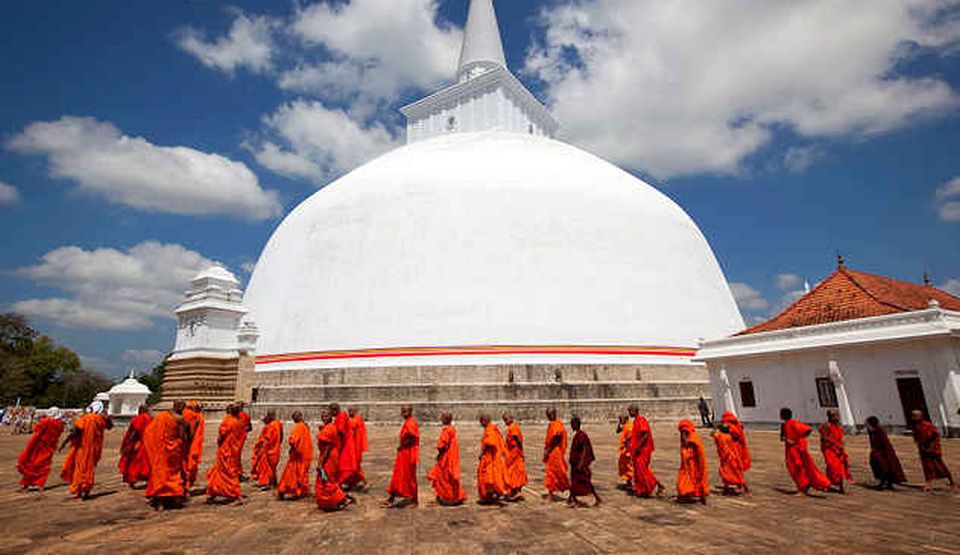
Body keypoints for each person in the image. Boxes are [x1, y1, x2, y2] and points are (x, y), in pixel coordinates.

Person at [143, 400, 190, 511]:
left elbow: (149, 431)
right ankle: (175, 499)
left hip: (162, 449)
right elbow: (183, 436)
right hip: (173, 449)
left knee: (160, 473)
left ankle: (160, 502)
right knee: (173, 473)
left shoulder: (162, 416)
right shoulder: (180, 419)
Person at [59, 410, 112, 500]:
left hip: (83, 448)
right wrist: (107, 418)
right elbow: (110, 426)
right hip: (93, 450)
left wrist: (65, 442)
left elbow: (76, 431)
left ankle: (81, 489)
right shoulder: (99, 420)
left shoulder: (86, 419)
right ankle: (85, 490)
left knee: (80, 469)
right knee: (88, 469)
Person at [780, 408, 832, 496]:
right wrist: (786, 439)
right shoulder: (784, 425)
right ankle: (803, 486)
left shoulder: (794, 423)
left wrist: (796, 440)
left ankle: (803, 488)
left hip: (797, 449)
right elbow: (782, 437)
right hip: (789, 450)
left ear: (784, 415)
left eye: (781, 414)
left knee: (799, 467)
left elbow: (808, 429)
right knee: (792, 467)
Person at [206, 404, 246, 504]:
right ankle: (214, 492)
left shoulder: (228, 421)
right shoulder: (239, 421)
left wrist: (219, 444)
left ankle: (236, 496)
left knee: (228, 472)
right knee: (221, 471)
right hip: (234, 449)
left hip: (226, 450)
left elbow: (221, 436)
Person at [910, 410, 958, 494]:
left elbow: (934, 437)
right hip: (923, 450)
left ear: (921, 417)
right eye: (913, 416)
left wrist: (930, 448)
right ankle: (929, 484)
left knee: (941, 466)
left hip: (932, 450)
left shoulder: (928, 425)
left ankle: (952, 483)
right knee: (927, 467)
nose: (914, 418)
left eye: (916, 416)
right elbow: (917, 437)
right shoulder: (915, 426)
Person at [16, 409, 64, 491]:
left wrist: (31, 445)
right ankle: (40, 484)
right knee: (44, 465)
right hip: (50, 447)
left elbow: (37, 432)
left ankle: (26, 485)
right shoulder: (60, 424)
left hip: (39, 446)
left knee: (32, 463)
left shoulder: (46, 422)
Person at [316, 410, 353, 511]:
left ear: (331, 417)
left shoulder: (329, 429)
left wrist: (321, 463)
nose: (324, 417)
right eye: (323, 416)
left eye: (326, 416)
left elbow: (327, 447)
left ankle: (343, 498)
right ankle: (332, 500)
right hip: (331, 456)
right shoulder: (329, 427)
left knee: (326, 479)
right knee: (327, 478)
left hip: (328, 458)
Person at [384, 404, 419, 508]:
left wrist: (402, 445)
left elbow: (412, 437)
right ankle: (391, 497)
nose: (403, 413)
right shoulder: (408, 422)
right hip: (404, 453)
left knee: (409, 476)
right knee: (398, 475)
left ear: (410, 412)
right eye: (402, 411)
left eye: (405, 411)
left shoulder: (411, 423)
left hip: (408, 453)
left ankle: (414, 500)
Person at [428, 412, 467, 506]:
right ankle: (453, 496)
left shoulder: (447, 431)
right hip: (450, 456)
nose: (441, 419)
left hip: (446, 458)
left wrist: (439, 455)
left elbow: (441, 445)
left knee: (443, 477)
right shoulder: (452, 429)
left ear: (446, 419)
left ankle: (448, 497)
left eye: (442, 418)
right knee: (449, 477)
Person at [277, 411, 313, 500]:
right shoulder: (304, 426)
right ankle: (300, 490)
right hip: (305, 454)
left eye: (295, 417)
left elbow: (292, 441)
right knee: (301, 473)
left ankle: (288, 489)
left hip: (298, 455)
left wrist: (292, 449)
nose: (294, 419)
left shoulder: (299, 427)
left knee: (293, 473)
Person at [629, 405, 664, 497]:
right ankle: (643, 489)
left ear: (634, 411)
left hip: (643, 450)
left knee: (642, 470)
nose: (629, 413)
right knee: (640, 470)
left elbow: (645, 434)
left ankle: (657, 485)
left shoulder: (641, 420)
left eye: (630, 411)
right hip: (639, 450)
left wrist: (638, 447)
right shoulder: (636, 421)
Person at [865, 416, 906, 490]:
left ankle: (885, 483)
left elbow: (884, 443)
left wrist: (885, 454)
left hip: (884, 452)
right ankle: (885, 482)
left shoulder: (879, 431)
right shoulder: (871, 431)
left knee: (884, 467)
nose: (865, 424)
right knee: (879, 467)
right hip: (876, 452)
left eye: (867, 423)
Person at [569, 416, 601, 507]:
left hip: (580, 463)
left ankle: (596, 497)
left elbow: (584, 449)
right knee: (574, 481)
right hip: (575, 463)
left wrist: (581, 462)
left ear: (575, 425)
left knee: (585, 481)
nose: (571, 426)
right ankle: (572, 499)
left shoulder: (581, 435)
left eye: (572, 424)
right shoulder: (578, 435)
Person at [818, 409, 853, 493]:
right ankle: (828, 483)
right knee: (832, 466)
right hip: (828, 449)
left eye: (837, 415)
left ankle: (840, 485)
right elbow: (824, 437)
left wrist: (840, 445)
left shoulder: (838, 426)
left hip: (838, 449)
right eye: (834, 415)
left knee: (840, 467)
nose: (836, 417)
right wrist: (835, 444)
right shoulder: (825, 425)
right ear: (829, 417)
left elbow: (840, 437)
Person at [477, 414, 508, 504]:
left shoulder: (490, 429)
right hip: (493, 456)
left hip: (491, 457)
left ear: (485, 421)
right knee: (491, 476)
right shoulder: (491, 428)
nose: (481, 424)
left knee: (488, 476)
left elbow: (490, 442)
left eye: (481, 422)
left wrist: (482, 452)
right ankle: (492, 494)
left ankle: (492, 494)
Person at [676, 419, 709, 504]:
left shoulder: (690, 436)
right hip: (694, 461)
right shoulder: (694, 435)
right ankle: (699, 494)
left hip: (690, 461)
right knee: (696, 477)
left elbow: (685, 444)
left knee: (687, 477)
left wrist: (682, 436)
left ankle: (686, 494)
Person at [118, 406, 152, 488]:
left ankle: (132, 480)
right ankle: (148, 480)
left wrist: (128, 443)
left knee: (134, 463)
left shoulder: (136, 419)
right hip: (148, 443)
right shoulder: (150, 418)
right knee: (146, 463)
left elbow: (133, 433)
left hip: (139, 443)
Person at [329, 403, 360, 490]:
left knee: (345, 464)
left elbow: (340, 431)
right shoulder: (340, 416)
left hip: (345, 444)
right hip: (344, 443)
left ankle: (343, 483)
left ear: (335, 410)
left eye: (331, 412)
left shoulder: (342, 416)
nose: (331, 414)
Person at [543, 408, 570, 502]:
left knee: (557, 473)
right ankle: (551, 494)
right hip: (553, 452)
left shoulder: (556, 424)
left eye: (549, 414)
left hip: (555, 452)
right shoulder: (554, 424)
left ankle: (569, 491)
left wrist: (548, 450)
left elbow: (556, 437)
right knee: (552, 474)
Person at [251, 411, 283, 490]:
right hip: (275, 448)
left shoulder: (270, 426)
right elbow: (281, 435)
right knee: (272, 467)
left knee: (265, 466)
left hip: (267, 449)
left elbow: (266, 439)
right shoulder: (278, 424)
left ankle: (265, 483)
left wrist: (260, 446)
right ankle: (273, 482)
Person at [712, 423, 748, 495]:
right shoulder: (729, 436)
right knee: (736, 472)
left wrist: (716, 427)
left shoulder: (720, 436)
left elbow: (712, 434)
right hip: (733, 456)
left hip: (726, 457)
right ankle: (742, 485)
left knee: (725, 472)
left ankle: (727, 487)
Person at [502, 412, 528, 501]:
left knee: (514, 472)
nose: (505, 422)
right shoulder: (511, 428)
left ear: (511, 418)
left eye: (506, 419)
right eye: (504, 420)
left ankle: (517, 491)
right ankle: (514, 491)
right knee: (514, 471)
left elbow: (518, 441)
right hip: (512, 452)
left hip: (515, 452)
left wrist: (521, 451)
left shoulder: (513, 428)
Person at [182, 401, 205, 492]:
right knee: (189, 465)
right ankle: (185, 485)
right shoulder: (194, 416)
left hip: (186, 444)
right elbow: (190, 432)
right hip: (190, 444)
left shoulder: (187, 414)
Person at [349, 408, 369, 491]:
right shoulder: (355, 419)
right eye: (349, 411)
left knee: (355, 466)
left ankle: (365, 482)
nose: (349, 412)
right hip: (354, 446)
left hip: (356, 447)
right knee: (352, 466)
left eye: (351, 411)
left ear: (355, 411)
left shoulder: (356, 420)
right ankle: (353, 482)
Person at [236, 401, 253, 482]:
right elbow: (250, 428)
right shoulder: (245, 416)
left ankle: (237, 473)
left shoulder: (232, 417)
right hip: (238, 439)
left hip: (236, 439)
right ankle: (237, 473)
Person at [616, 414, 634, 490]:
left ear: (626, 419)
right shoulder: (625, 425)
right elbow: (617, 431)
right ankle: (628, 482)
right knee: (624, 466)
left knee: (630, 467)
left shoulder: (630, 425)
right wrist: (619, 423)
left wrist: (626, 442)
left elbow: (630, 436)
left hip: (628, 450)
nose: (621, 420)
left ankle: (635, 482)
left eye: (621, 419)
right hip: (624, 450)